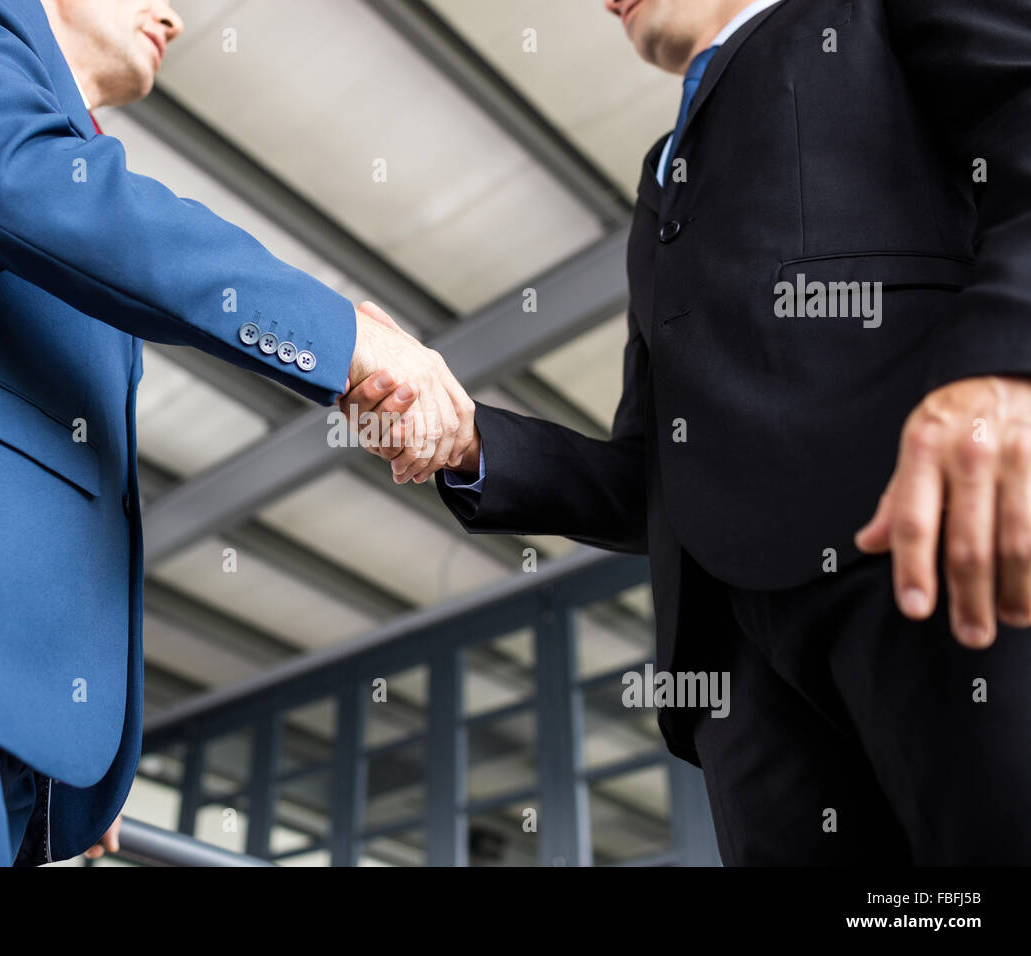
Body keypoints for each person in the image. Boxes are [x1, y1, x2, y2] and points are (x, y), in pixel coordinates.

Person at [0, 0, 474, 865]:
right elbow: (16, 186)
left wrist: (53, 747)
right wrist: (344, 336)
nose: (177, 17)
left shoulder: (70, 161)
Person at [345, 0, 1031, 864]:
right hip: (739, 679)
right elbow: (650, 470)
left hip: (933, 548)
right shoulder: (661, 176)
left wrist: (1005, 368)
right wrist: (469, 440)